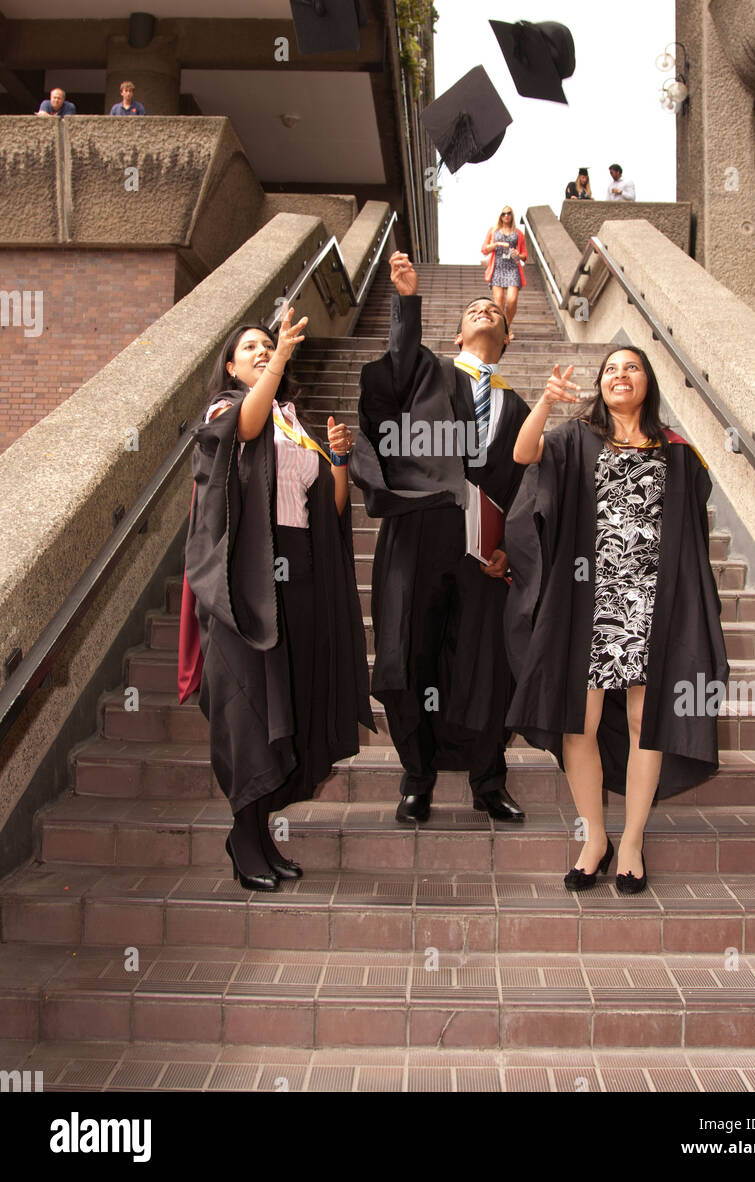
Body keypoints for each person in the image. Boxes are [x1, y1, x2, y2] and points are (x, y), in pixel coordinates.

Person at [505, 345, 728, 895]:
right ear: (599, 385)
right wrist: (545, 403)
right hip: (590, 598)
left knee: (641, 722)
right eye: (609, 369)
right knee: (580, 721)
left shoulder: (676, 451)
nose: (619, 375)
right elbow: (522, 453)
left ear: (647, 382)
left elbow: (692, 538)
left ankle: (631, 840)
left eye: (631, 367)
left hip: (655, 602)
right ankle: (595, 838)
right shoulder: (577, 437)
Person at [180, 305, 374, 889]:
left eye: (270, 344)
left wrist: (338, 458)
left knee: (287, 703)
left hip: (300, 579)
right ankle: (244, 838)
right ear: (233, 369)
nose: (262, 351)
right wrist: (283, 356)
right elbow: (244, 429)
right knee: (248, 708)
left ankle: (261, 836)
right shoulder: (228, 410)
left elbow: (331, 510)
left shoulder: (295, 423)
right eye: (251, 349)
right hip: (247, 585)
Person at [351, 253, 531, 825]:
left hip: (483, 551)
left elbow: (527, 489)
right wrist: (406, 303)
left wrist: (513, 551)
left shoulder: (522, 408)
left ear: (506, 337)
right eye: (473, 309)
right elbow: (396, 369)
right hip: (419, 531)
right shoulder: (429, 374)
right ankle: (416, 778)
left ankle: (488, 779)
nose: (483, 310)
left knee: (485, 662)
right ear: (456, 333)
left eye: (493, 312)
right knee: (407, 651)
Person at [481, 203, 527, 328]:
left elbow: (524, 256)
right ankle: (502, 329)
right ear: (500, 216)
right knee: (499, 301)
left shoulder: (518, 233)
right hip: (497, 268)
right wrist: (497, 244)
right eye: (503, 214)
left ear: (512, 215)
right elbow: (484, 249)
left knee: (512, 300)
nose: (506, 216)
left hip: (512, 268)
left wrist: (518, 254)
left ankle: (506, 325)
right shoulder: (493, 231)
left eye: (509, 213)